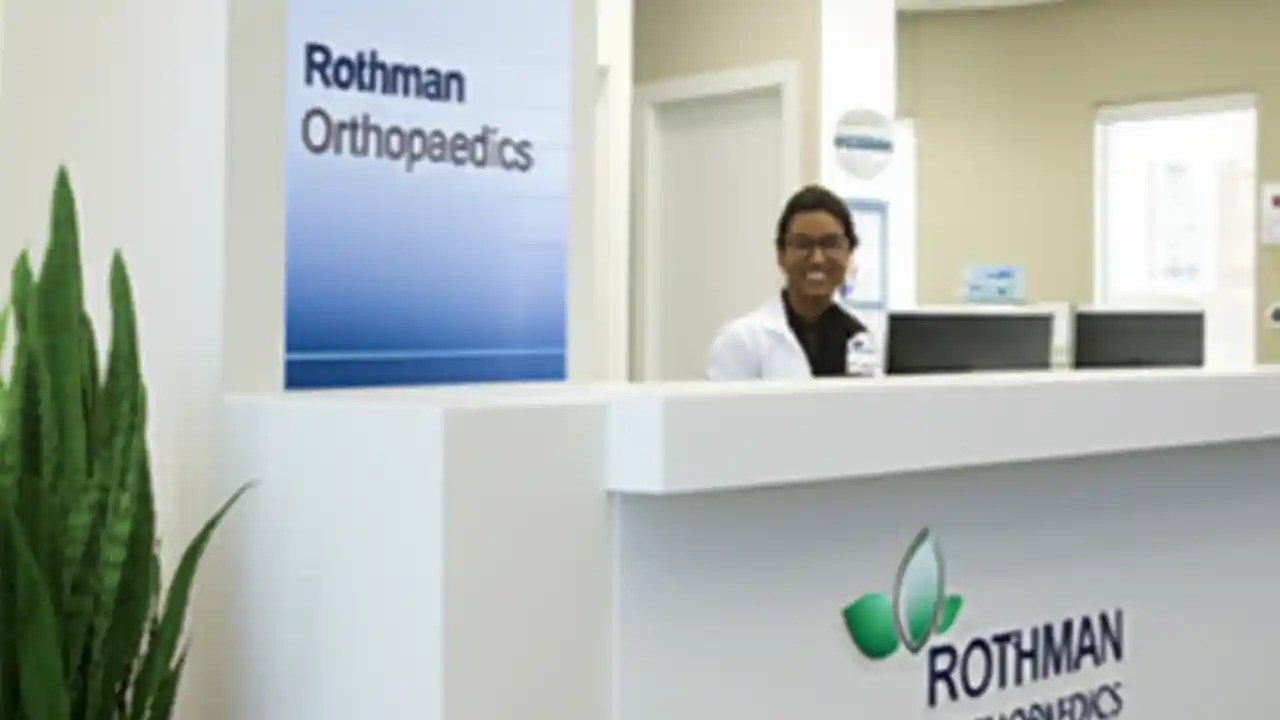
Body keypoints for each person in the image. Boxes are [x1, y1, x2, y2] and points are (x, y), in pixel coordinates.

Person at [706, 184, 879, 380]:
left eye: (830, 244)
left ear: (849, 254)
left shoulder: (860, 339)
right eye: (803, 245)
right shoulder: (741, 341)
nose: (817, 258)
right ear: (780, 254)